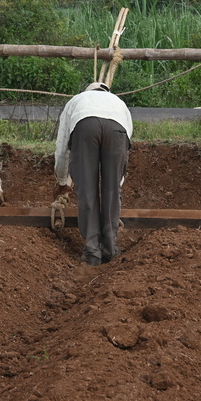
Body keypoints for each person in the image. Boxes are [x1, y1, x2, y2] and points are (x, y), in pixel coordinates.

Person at [54, 82, 133, 266]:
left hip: (85, 126)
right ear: (106, 92)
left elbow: (62, 146)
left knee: (87, 192)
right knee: (112, 192)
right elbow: (126, 146)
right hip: (117, 129)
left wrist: (61, 181)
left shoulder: (76, 101)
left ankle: (92, 251)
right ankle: (110, 248)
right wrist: (116, 184)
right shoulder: (118, 102)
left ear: (87, 92)